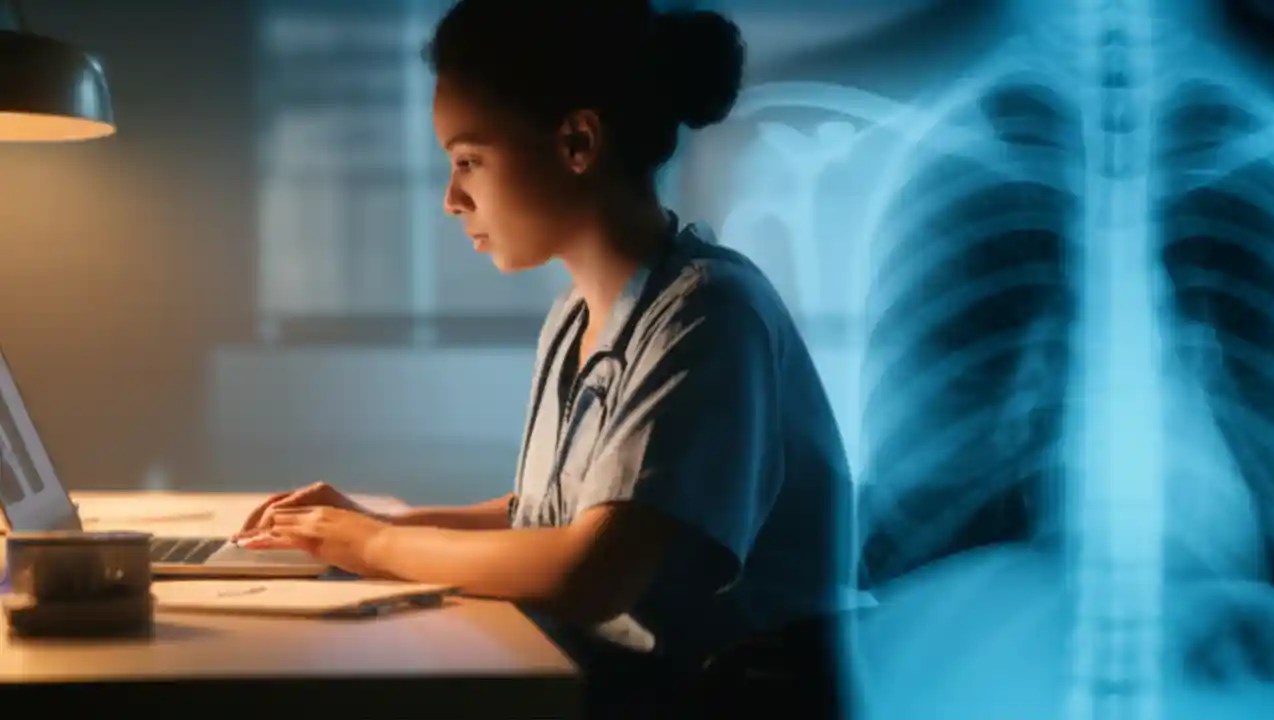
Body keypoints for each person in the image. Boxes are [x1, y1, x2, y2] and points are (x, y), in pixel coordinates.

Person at [236, 0, 858, 716]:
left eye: (469, 160)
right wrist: (362, 527)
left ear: (577, 143)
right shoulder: (575, 318)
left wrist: (372, 544)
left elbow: (591, 571)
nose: (450, 198)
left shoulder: (711, 312)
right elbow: (547, 518)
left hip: (735, 694)